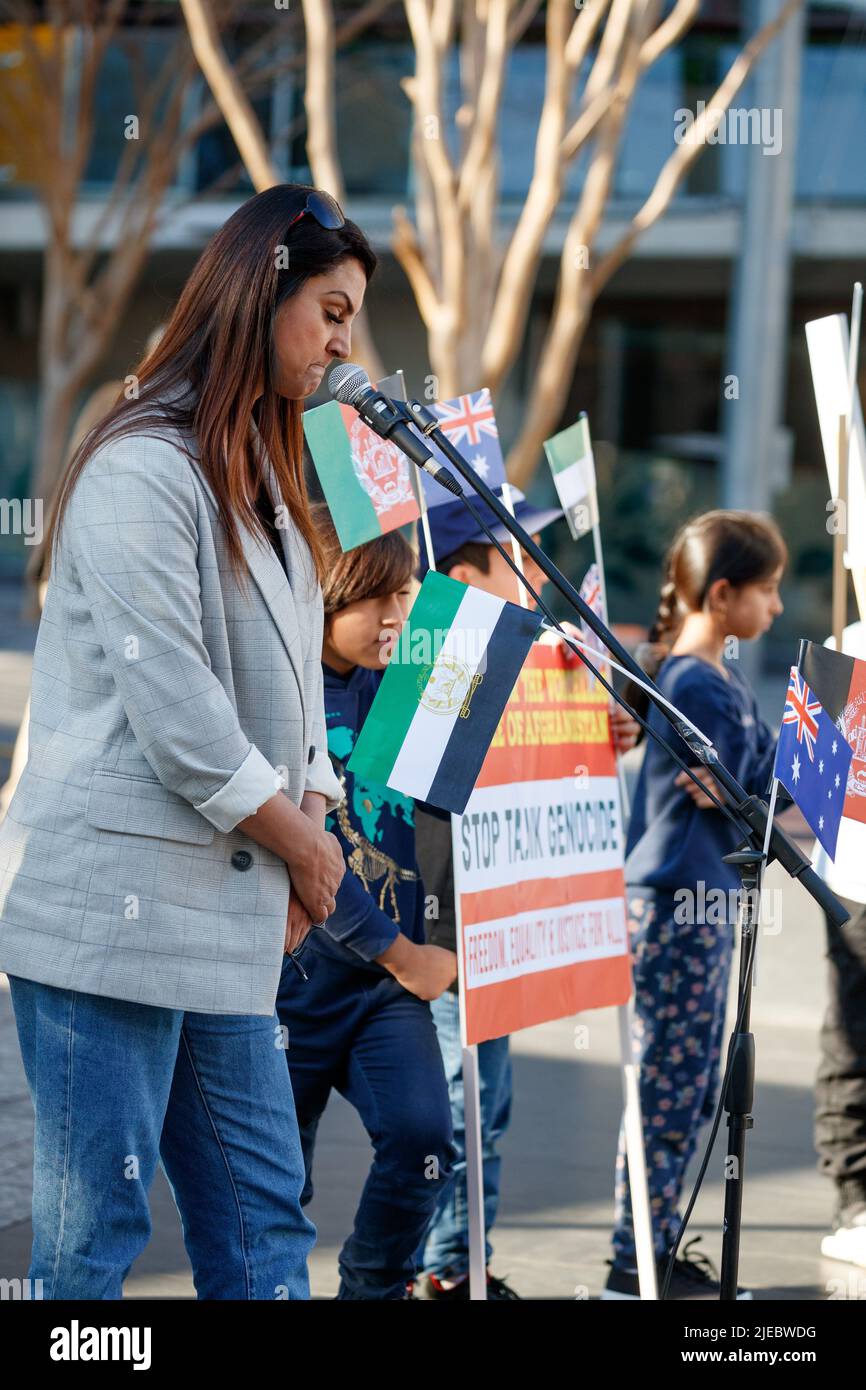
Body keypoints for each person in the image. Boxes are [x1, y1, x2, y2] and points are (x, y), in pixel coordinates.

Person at [0, 184, 378, 1299]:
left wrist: (313, 810)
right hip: (107, 914)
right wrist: (308, 853)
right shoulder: (139, 465)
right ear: (257, 296)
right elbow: (179, 712)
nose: (343, 341)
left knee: (265, 1216)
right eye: (330, 308)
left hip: (223, 915)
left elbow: (293, 695)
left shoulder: (258, 472)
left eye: (352, 318)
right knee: (94, 1238)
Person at [411, 487, 639, 1299]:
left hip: (492, 933)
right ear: (469, 577)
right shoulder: (429, 664)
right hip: (442, 932)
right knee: (456, 1117)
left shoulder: (540, 657)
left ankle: (463, 1265)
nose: (539, 577)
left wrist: (609, 719)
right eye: (520, 560)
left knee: (488, 1111)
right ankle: (436, 1272)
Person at [602, 509, 787, 1300]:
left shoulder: (708, 677)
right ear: (722, 593)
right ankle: (635, 1261)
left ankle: (652, 1248)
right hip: (680, 905)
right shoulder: (694, 683)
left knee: (685, 1080)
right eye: (767, 590)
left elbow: (765, 782)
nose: (776, 606)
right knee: (672, 1084)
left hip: (695, 903)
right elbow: (744, 793)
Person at [276, 504, 457, 1300]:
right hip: (292, 984)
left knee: (424, 1139)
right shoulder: (285, 692)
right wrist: (403, 953)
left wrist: (439, 940)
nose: (396, 616)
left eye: (405, 594)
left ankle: (374, 1289)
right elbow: (313, 862)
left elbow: (440, 810)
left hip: (386, 989)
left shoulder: (410, 684)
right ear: (324, 594)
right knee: (277, 1184)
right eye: (376, 599)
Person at [811, 616, 866, 1269]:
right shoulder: (846, 643)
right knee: (853, 1033)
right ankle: (854, 1200)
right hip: (855, 881)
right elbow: (812, 781)